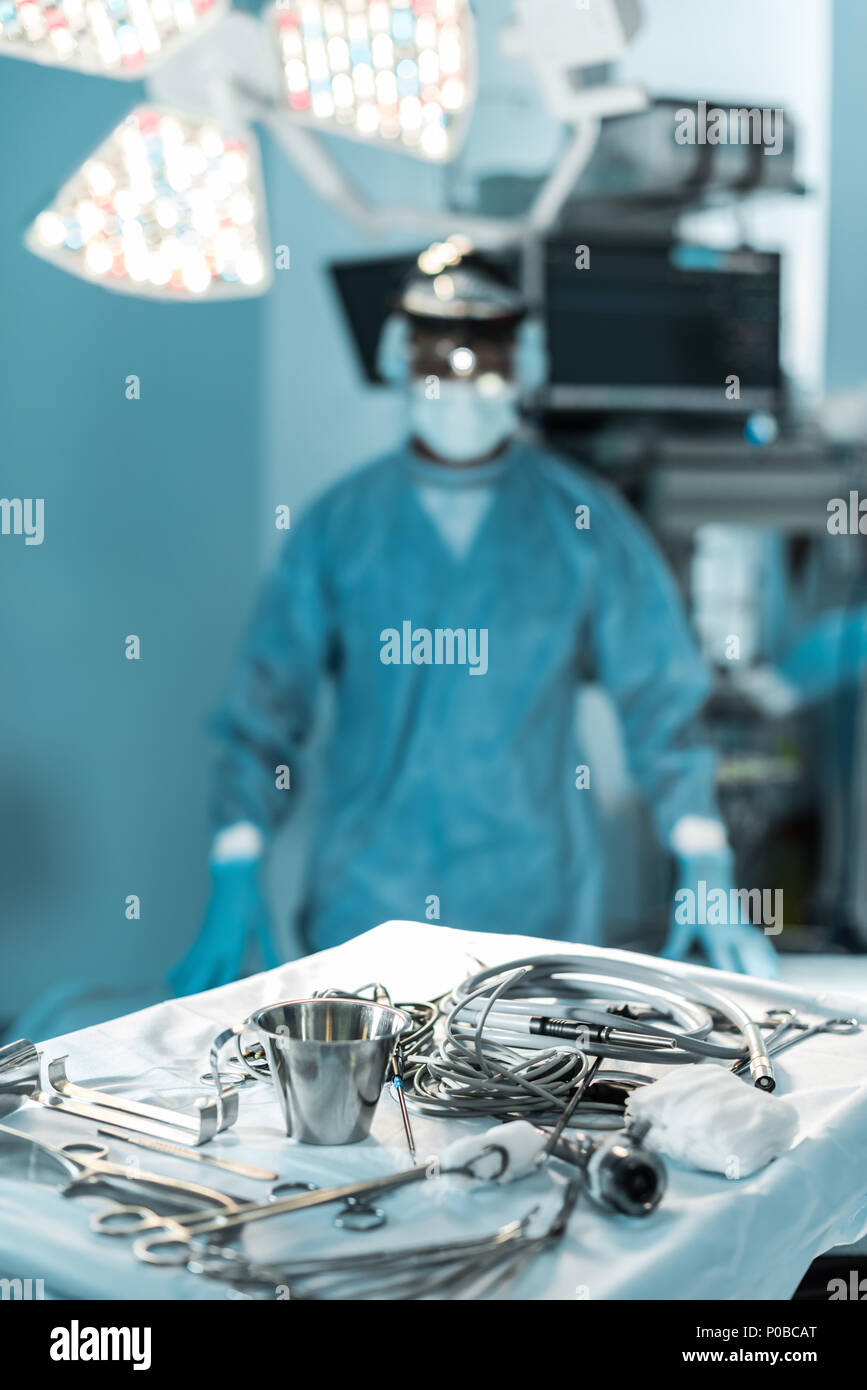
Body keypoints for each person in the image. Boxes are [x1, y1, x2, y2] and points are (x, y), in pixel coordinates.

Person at [170, 261, 778, 995]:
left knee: (533, 1101)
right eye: (437, 360)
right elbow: (264, 713)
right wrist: (237, 859)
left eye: (483, 360)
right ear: (398, 357)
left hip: (536, 913)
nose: (459, 386)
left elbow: (662, 704)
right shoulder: (342, 529)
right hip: (368, 914)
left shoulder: (581, 524)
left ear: (523, 365)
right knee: (373, 1102)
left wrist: (702, 852)